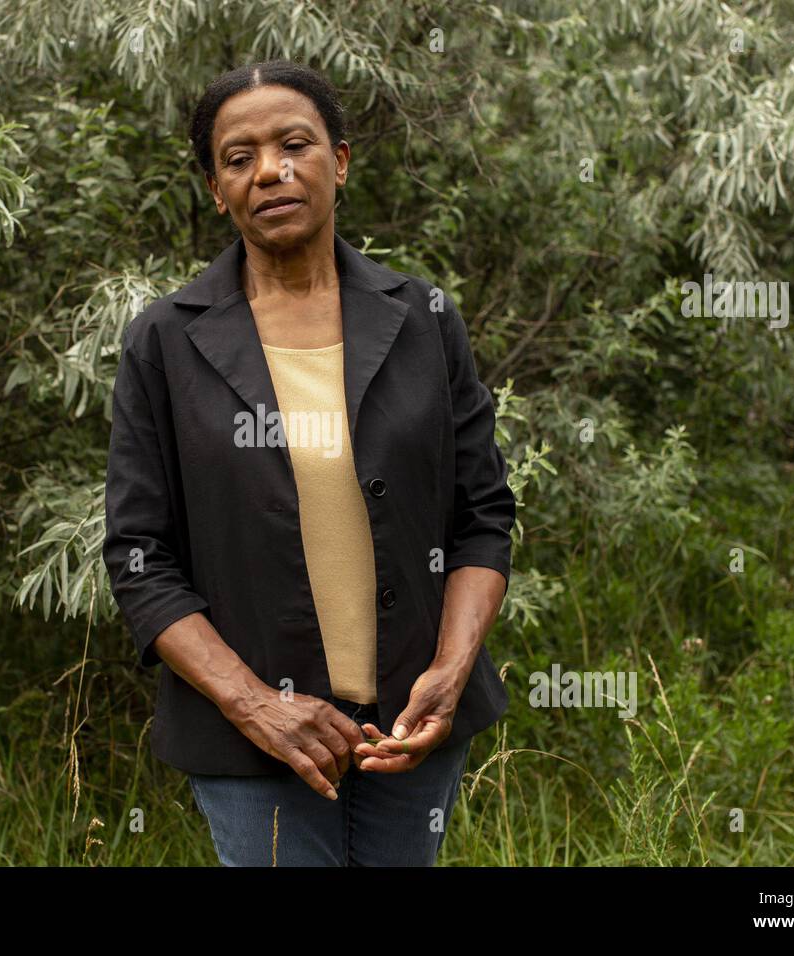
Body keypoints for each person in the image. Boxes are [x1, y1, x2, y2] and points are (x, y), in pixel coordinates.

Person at [103, 59, 516, 866]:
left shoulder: (423, 317)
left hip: (410, 726)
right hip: (252, 740)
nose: (270, 171)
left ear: (343, 161)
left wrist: (450, 669)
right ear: (216, 190)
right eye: (238, 157)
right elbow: (140, 560)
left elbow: (482, 518)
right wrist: (257, 705)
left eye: (296, 144)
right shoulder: (165, 341)